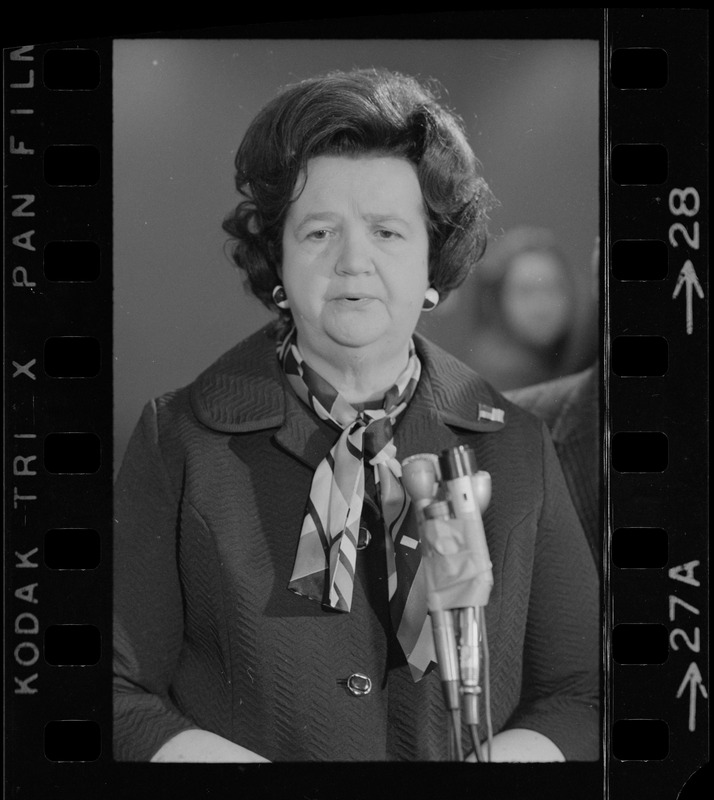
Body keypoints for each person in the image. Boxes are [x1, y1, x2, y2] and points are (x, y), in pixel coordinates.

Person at [113, 68, 599, 763]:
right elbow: (112, 689)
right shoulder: (180, 439)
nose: (353, 263)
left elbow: (581, 691)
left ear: (434, 259)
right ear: (276, 257)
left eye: (387, 232)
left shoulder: (515, 442)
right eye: (318, 233)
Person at [463, 226, 590, 391]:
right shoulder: (501, 380)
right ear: (498, 303)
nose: (541, 306)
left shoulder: (584, 359)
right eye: (526, 292)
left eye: (553, 288)